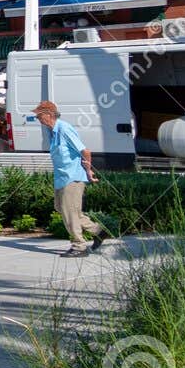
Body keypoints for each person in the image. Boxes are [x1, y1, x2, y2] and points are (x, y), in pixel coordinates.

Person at [35, 100, 109, 257]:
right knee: (61, 208)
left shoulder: (64, 129)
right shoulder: (51, 131)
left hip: (73, 177)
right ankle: (98, 231)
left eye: (39, 115)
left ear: (49, 115)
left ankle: (79, 247)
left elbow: (85, 151)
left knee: (70, 212)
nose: (37, 119)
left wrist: (88, 171)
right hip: (61, 177)